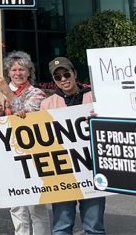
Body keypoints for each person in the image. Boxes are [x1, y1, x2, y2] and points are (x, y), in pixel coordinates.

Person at [40, 57, 105, 235]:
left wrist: (100, 119)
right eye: (57, 77)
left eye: (66, 74)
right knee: (62, 227)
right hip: (62, 173)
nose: (63, 79)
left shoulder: (94, 98)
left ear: (75, 74)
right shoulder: (47, 104)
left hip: (91, 171)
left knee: (94, 228)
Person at [0, 50, 49, 235]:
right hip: (10, 154)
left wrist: (7, 93)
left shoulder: (37, 93)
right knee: (16, 206)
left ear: (29, 71)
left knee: (36, 205)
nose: (17, 73)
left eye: (22, 69)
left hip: (32, 154)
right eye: (14, 70)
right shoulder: (0, 93)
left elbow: (29, 115)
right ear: (8, 72)